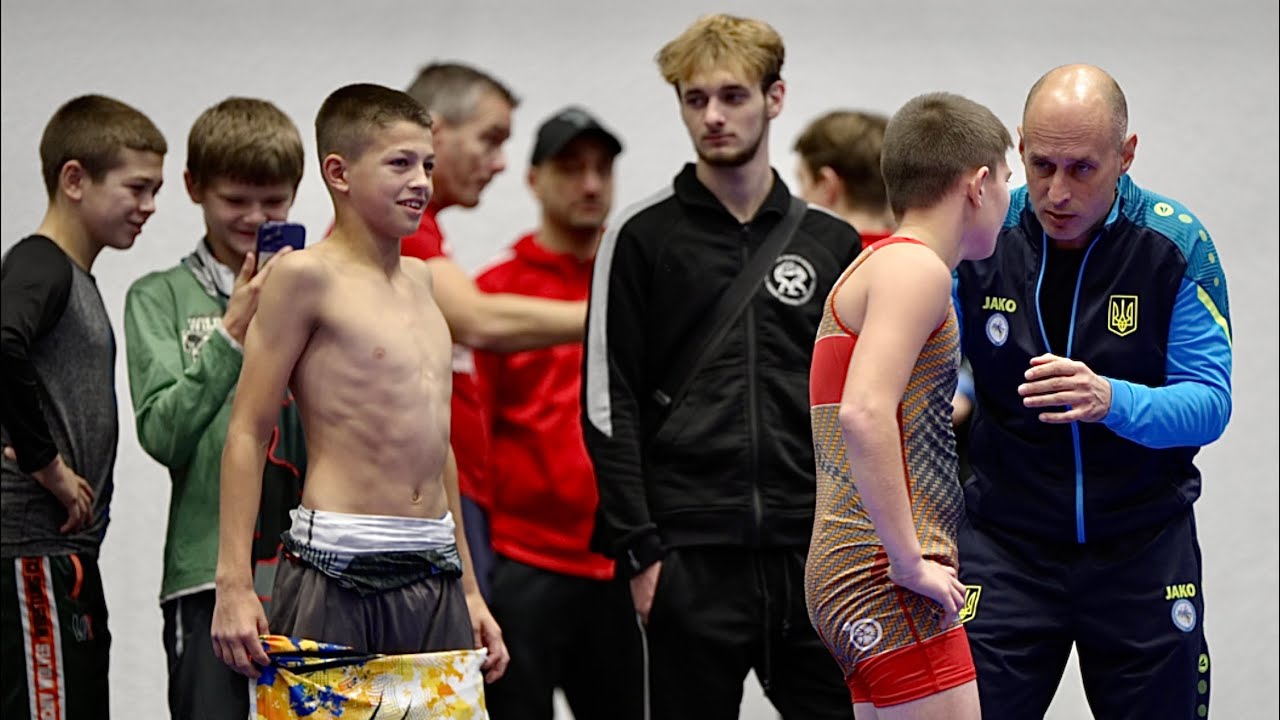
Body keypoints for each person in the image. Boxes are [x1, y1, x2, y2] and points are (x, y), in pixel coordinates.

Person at [582, 14, 860, 719]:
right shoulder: (642, 238)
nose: (712, 116)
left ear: (775, 97)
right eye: (694, 98)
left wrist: (863, 541)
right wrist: (641, 552)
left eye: (733, 96)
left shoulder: (834, 243)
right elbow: (605, 404)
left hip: (812, 553)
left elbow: (861, 399)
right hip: (688, 554)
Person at [953, 64, 1231, 719]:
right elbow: (936, 372)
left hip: (1141, 547)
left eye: (1082, 168)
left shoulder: (1175, 243)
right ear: (1018, 146)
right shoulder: (980, 237)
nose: (1056, 191)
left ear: (1126, 155)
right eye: (1041, 164)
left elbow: (1210, 404)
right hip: (1005, 547)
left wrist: (1111, 399)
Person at [209, 83, 509, 685]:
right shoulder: (304, 276)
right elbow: (247, 430)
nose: (421, 181)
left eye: (426, 163)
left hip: (435, 563)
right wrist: (235, 584)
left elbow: (438, 445)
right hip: (338, 561)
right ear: (338, 173)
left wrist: (471, 589)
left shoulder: (424, 282)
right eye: (399, 163)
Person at [806, 92, 1013, 719]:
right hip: (881, 568)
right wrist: (907, 560)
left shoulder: (879, 266)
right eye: (1009, 179)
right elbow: (863, 413)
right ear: (978, 185)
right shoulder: (915, 271)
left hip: (857, 566)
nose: (1010, 199)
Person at [123, 97, 307, 720]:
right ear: (193, 188)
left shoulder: (318, 292)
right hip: (206, 576)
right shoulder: (159, 297)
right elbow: (162, 434)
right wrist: (232, 331)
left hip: (312, 575)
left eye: (275, 202)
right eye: (236, 200)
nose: (256, 218)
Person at [1, 94, 166, 720]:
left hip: (63, 555)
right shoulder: (41, 262)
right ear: (75, 179)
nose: (149, 206)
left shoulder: (74, 278)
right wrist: (47, 464)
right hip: (32, 553)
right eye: (137, 187)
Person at [474, 106, 642, 719]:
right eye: (571, 169)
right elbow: (469, 441)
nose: (592, 184)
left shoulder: (639, 283)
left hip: (623, 566)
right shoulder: (492, 294)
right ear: (533, 179)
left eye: (602, 169)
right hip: (524, 564)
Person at [402, 62, 587, 600]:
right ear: (435, 133)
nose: (499, 163)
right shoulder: (400, 233)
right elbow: (479, 320)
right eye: (489, 140)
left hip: (461, 500)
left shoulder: (428, 233)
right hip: (434, 507)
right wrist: (607, 316)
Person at [793, 110, 895, 246]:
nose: (799, 197)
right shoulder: (921, 257)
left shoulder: (807, 260)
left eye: (802, 181)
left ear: (827, 185)